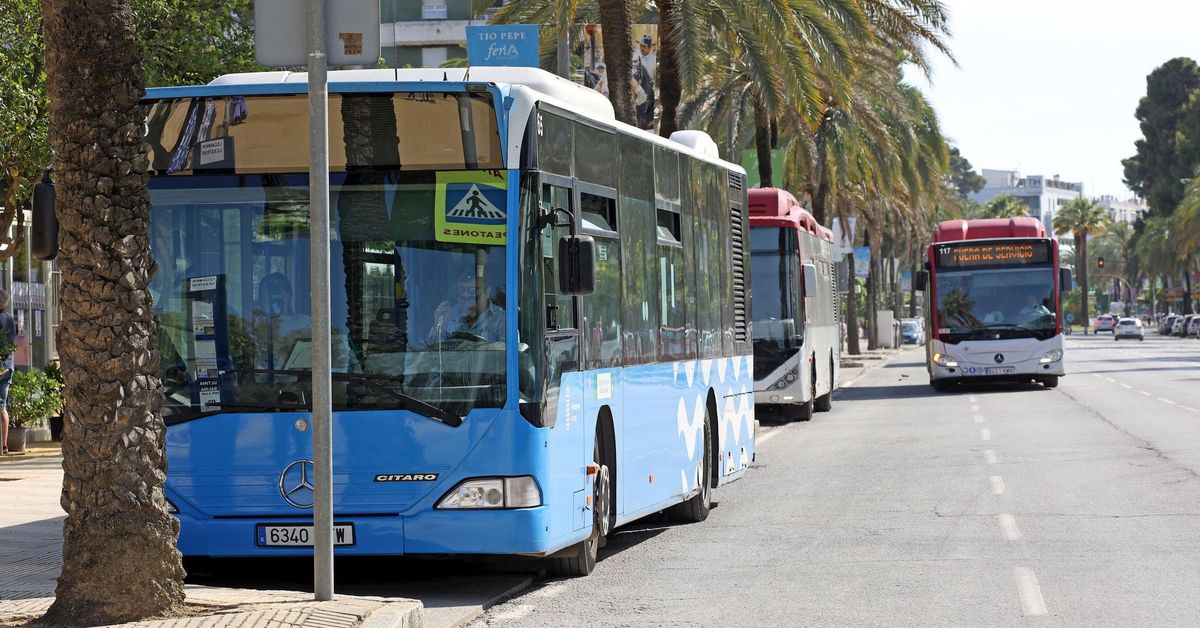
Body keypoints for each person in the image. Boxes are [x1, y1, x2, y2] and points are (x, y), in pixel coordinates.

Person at [426, 275, 504, 345]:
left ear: (487, 293)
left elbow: (505, 354)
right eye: (462, 298)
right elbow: (429, 349)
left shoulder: (500, 317)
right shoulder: (448, 314)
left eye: (472, 298)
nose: (467, 304)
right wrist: (437, 323)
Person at [0, 290, 14, 455]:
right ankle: (4, 445)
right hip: (8, 367)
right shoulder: (10, 319)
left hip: (2, 366)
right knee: (2, 407)